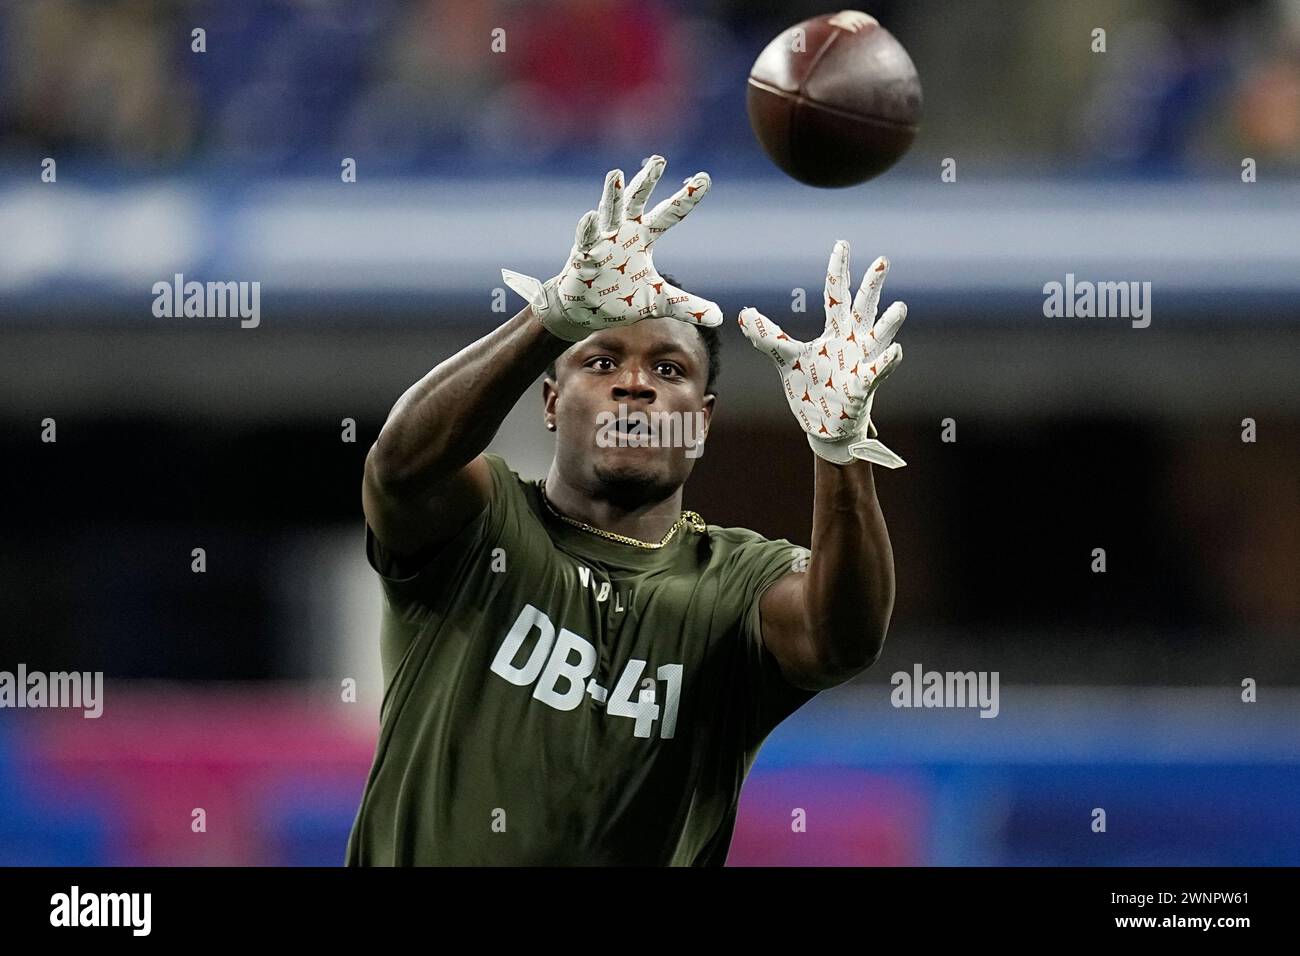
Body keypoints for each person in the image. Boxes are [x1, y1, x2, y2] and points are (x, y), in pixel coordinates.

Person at [346, 155, 906, 865]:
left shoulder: (737, 584)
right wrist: (550, 318)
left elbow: (843, 638)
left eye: (668, 371)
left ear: (699, 423)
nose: (635, 385)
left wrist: (839, 451)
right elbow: (397, 469)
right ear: (552, 402)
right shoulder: (481, 528)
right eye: (601, 362)